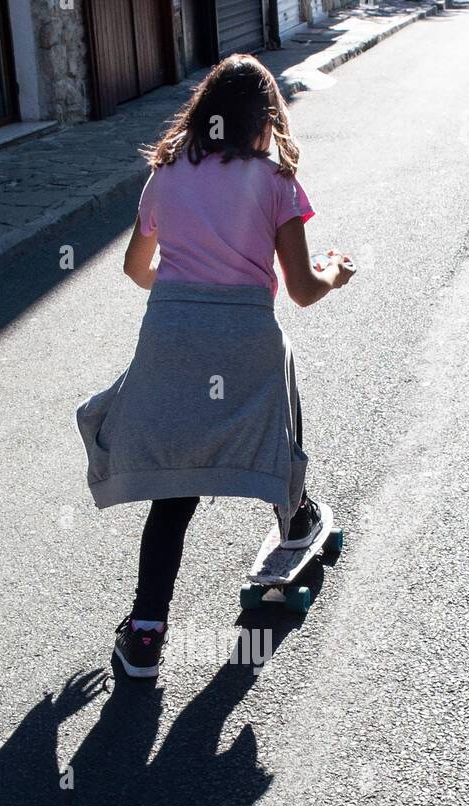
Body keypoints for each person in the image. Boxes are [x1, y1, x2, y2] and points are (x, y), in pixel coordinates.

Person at [77, 53, 355, 678]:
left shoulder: (166, 176)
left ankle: (146, 634)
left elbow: (134, 268)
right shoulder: (276, 181)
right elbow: (305, 290)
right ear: (266, 118)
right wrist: (336, 272)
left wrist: (184, 290)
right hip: (244, 336)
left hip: (171, 336)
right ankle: (298, 514)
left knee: (175, 488)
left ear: (205, 111)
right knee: (274, 422)